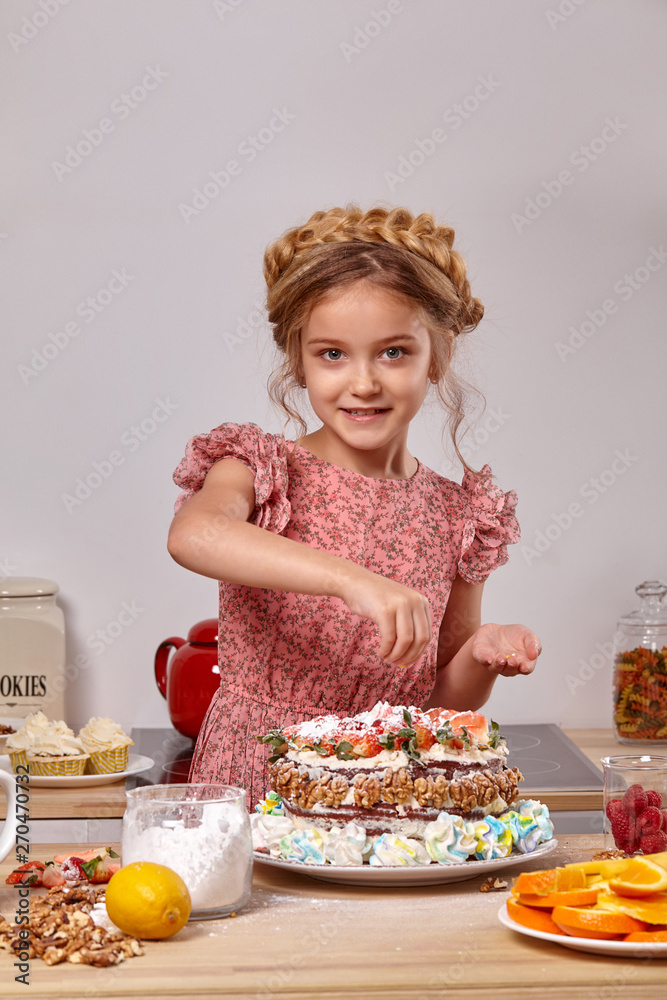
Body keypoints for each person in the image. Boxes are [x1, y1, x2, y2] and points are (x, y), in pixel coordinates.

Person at [167, 205, 541, 805]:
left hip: (383, 796)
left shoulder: (460, 516)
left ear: (439, 355)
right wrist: (352, 581)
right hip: (257, 782)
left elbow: (440, 707)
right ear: (298, 359)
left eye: (393, 352)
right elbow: (195, 534)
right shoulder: (260, 470)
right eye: (332, 354)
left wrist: (481, 654)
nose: (363, 383)